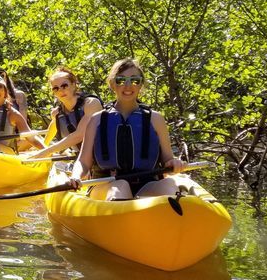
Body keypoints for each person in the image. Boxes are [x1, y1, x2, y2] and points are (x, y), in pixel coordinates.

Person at [68, 58, 185, 199]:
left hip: (146, 185)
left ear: (141, 84)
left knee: (169, 185)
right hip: (107, 184)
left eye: (134, 80)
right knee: (121, 186)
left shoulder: (156, 119)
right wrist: (75, 176)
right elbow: (83, 161)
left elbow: (167, 158)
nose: (128, 86)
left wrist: (173, 162)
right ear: (112, 84)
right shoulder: (96, 120)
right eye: (121, 80)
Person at [29, 66, 103, 159]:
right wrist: (44, 146)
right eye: (55, 88)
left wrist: (47, 151)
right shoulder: (56, 113)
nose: (60, 90)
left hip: (102, 157)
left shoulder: (91, 103)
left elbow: (80, 135)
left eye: (64, 86)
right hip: (81, 158)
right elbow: (54, 127)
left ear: (74, 84)